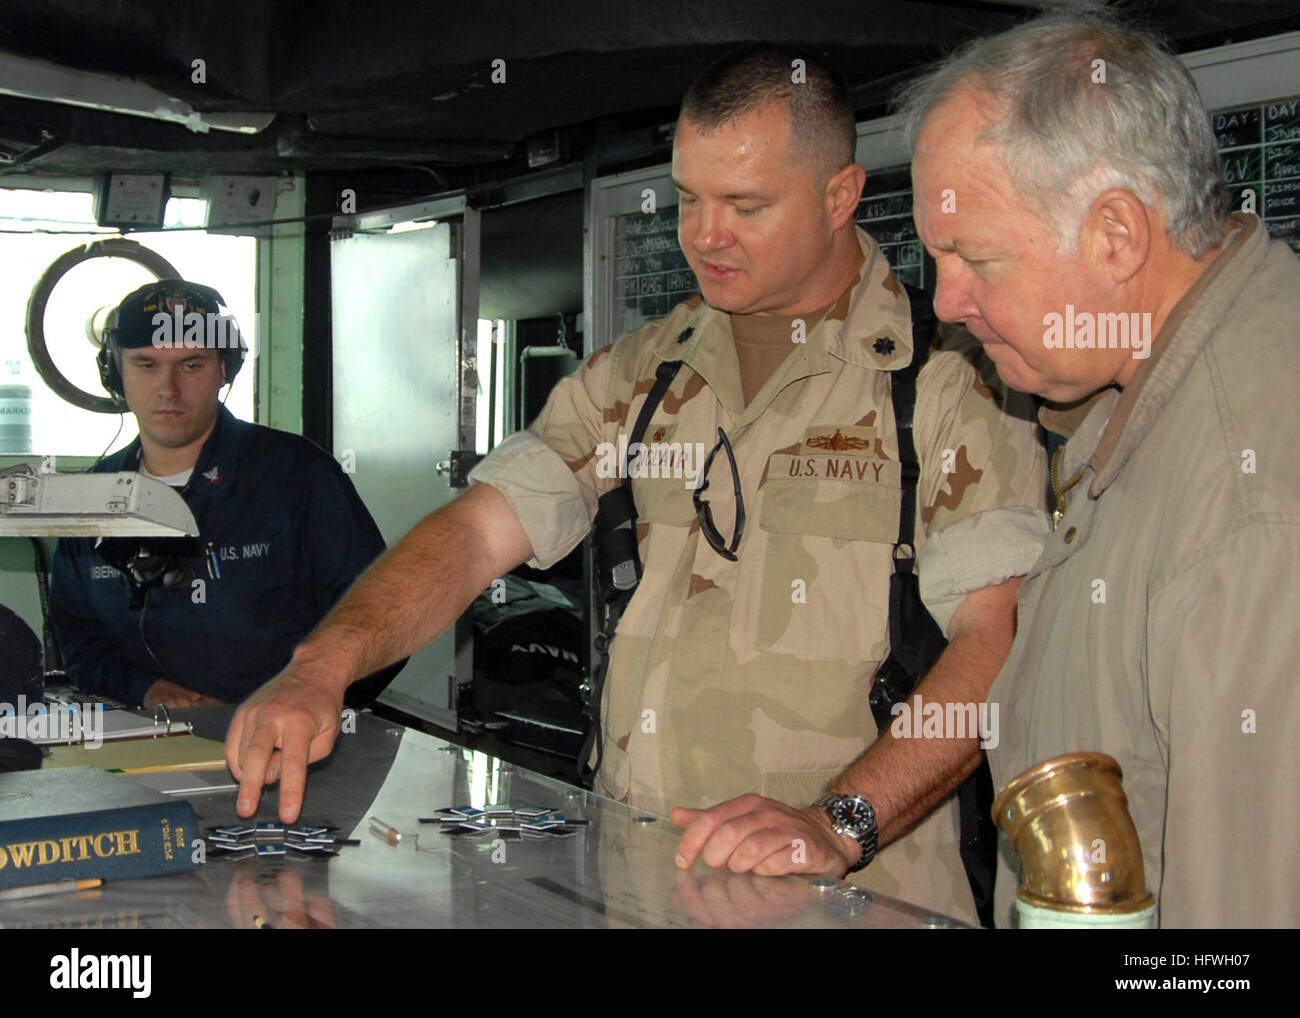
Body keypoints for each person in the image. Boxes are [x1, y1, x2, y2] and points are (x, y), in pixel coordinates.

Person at [227, 46, 1048, 925]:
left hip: (852, 895)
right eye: (689, 197)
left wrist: (837, 823)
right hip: (639, 885)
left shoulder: (948, 381)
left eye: (745, 205)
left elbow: (995, 646)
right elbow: (477, 532)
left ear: (840, 196)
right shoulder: (641, 376)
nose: (704, 235)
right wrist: (324, 664)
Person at [902, 11, 1300, 927]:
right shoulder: (1132, 397)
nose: (947, 301)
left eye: (975, 258)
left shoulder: (1251, 498)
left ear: (1117, 235)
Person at [50, 279, 401, 711]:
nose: (168, 389)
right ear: (115, 372)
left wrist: (308, 704)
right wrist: (144, 688)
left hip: (295, 747)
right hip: (150, 746)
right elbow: (81, 641)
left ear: (224, 369)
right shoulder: (94, 499)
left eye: (191, 365)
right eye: (146, 364)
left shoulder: (298, 476)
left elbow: (384, 620)